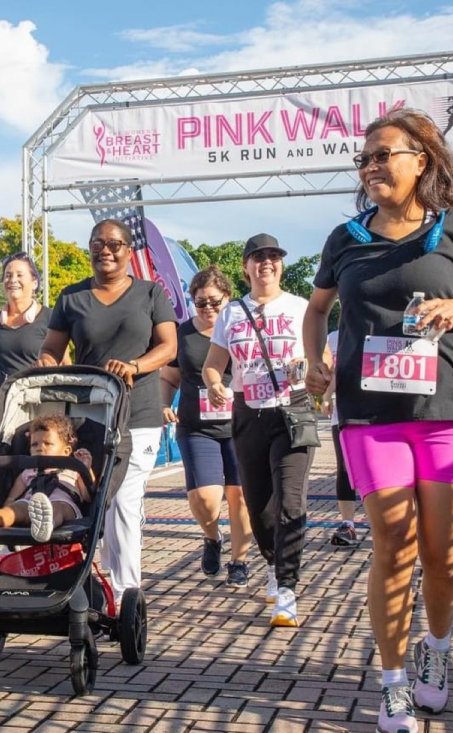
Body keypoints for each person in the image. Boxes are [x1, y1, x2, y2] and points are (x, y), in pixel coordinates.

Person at [302, 108, 453, 733]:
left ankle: (438, 648)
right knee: (394, 545)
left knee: (444, 553)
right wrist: (315, 358)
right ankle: (393, 681)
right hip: (369, 414)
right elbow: (318, 310)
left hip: (444, 410)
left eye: (383, 155)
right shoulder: (344, 238)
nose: (371, 167)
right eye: (364, 159)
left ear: (419, 160)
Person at [37, 218, 178, 602]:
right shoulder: (72, 297)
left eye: (114, 244)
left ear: (128, 251)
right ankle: (93, 583)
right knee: (96, 499)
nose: (106, 250)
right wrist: (49, 363)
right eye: (97, 243)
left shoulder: (150, 294)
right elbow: (51, 348)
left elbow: (168, 347)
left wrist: (135, 366)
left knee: (124, 500)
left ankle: (125, 592)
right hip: (91, 415)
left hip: (140, 414)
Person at [201, 233, 314, 628]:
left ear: (281, 265)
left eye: (273, 257)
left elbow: (323, 359)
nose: (267, 263)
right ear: (246, 266)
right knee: (261, 507)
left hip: (292, 412)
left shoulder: (301, 308)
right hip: (248, 413)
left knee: (290, 504)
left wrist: (309, 367)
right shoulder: (232, 313)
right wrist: (215, 383)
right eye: (258, 258)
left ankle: (287, 588)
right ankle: (272, 562)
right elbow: (213, 364)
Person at [160, 266, 253, 586]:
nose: (209, 309)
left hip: (242, 424)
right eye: (201, 303)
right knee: (206, 499)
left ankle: (239, 561)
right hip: (196, 427)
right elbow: (170, 377)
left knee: (240, 497)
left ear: (228, 298)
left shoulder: (243, 329)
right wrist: (163, 403)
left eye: (215, 302)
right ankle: (212, 537)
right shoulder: (182, 334)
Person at [0, 415, 94, 543]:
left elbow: (87, 497)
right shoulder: (28, 471)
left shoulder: (73, 469)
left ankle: (47, 524)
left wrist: (86, 469)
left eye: (47, 443)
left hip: (64, 504)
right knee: (16, 508)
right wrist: (9, 509)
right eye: (34, 444)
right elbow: (12, 497)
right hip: (31, 505)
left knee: (58, 508)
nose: (40, 448)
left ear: (66, 451)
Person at [0, 253, 53, 445]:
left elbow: (64, 364)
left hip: (40, 409)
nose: (12, 280)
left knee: (39, 467)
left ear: (34, 282)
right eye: (7, 275)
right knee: (2, 466)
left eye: (19, 275)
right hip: (3, 409)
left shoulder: (50, 318)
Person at [321, 329, 361, 548]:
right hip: (344, 410)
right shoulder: (333, 338)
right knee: (345, 468)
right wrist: (326, 395)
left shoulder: (379, 327)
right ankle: (348, 523)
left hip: (378, 412)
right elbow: (332, 370)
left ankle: (385, 524)